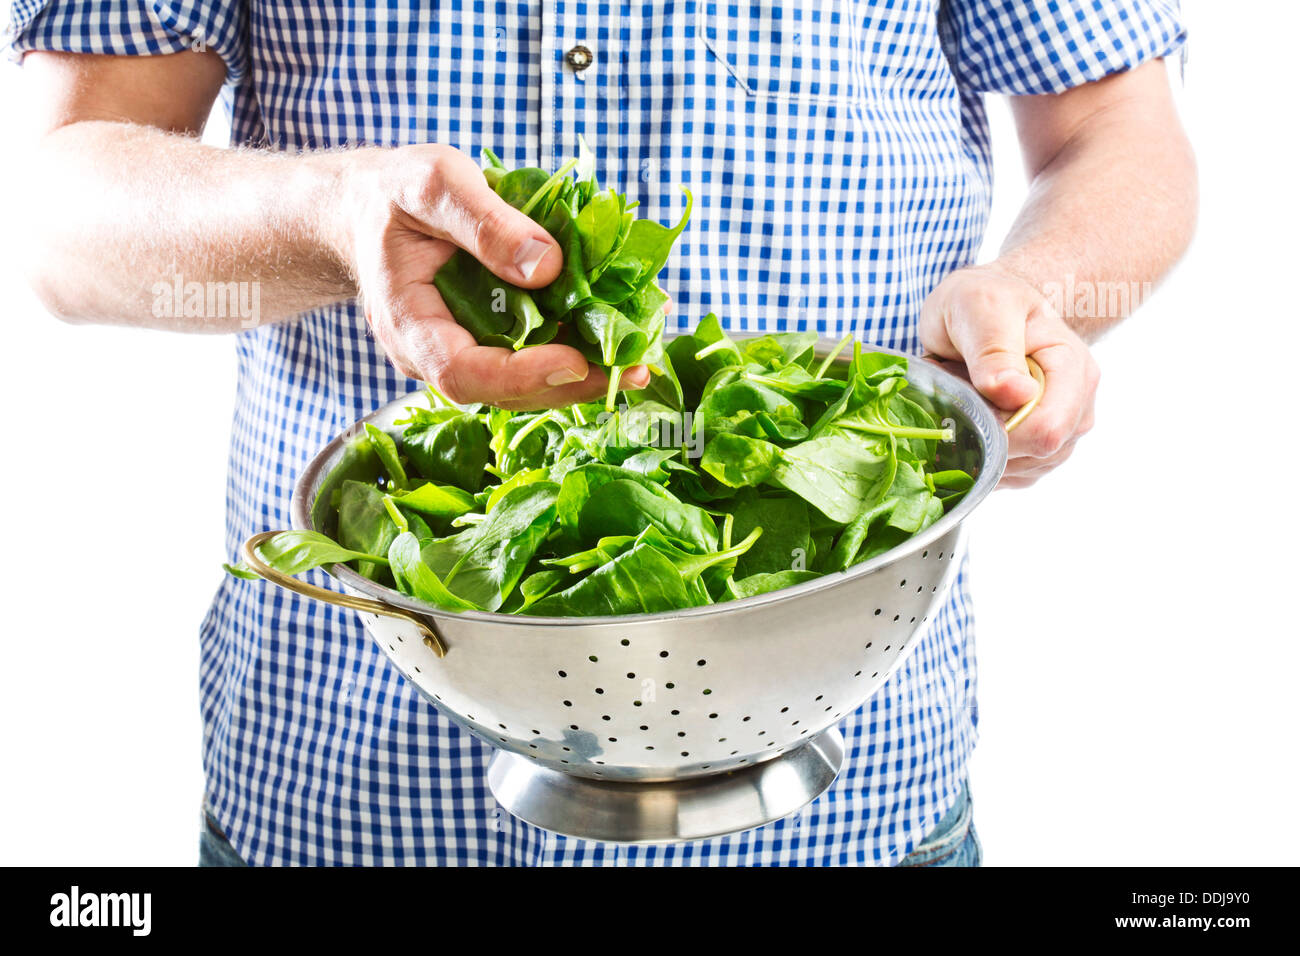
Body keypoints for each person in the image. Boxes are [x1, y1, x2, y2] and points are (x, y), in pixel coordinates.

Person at [7, 0, 1196, 866]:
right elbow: (63, 211)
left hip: (849, 783)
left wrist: (1038, 297)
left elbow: (1119, 133)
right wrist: (323, 218)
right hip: (348, 768)